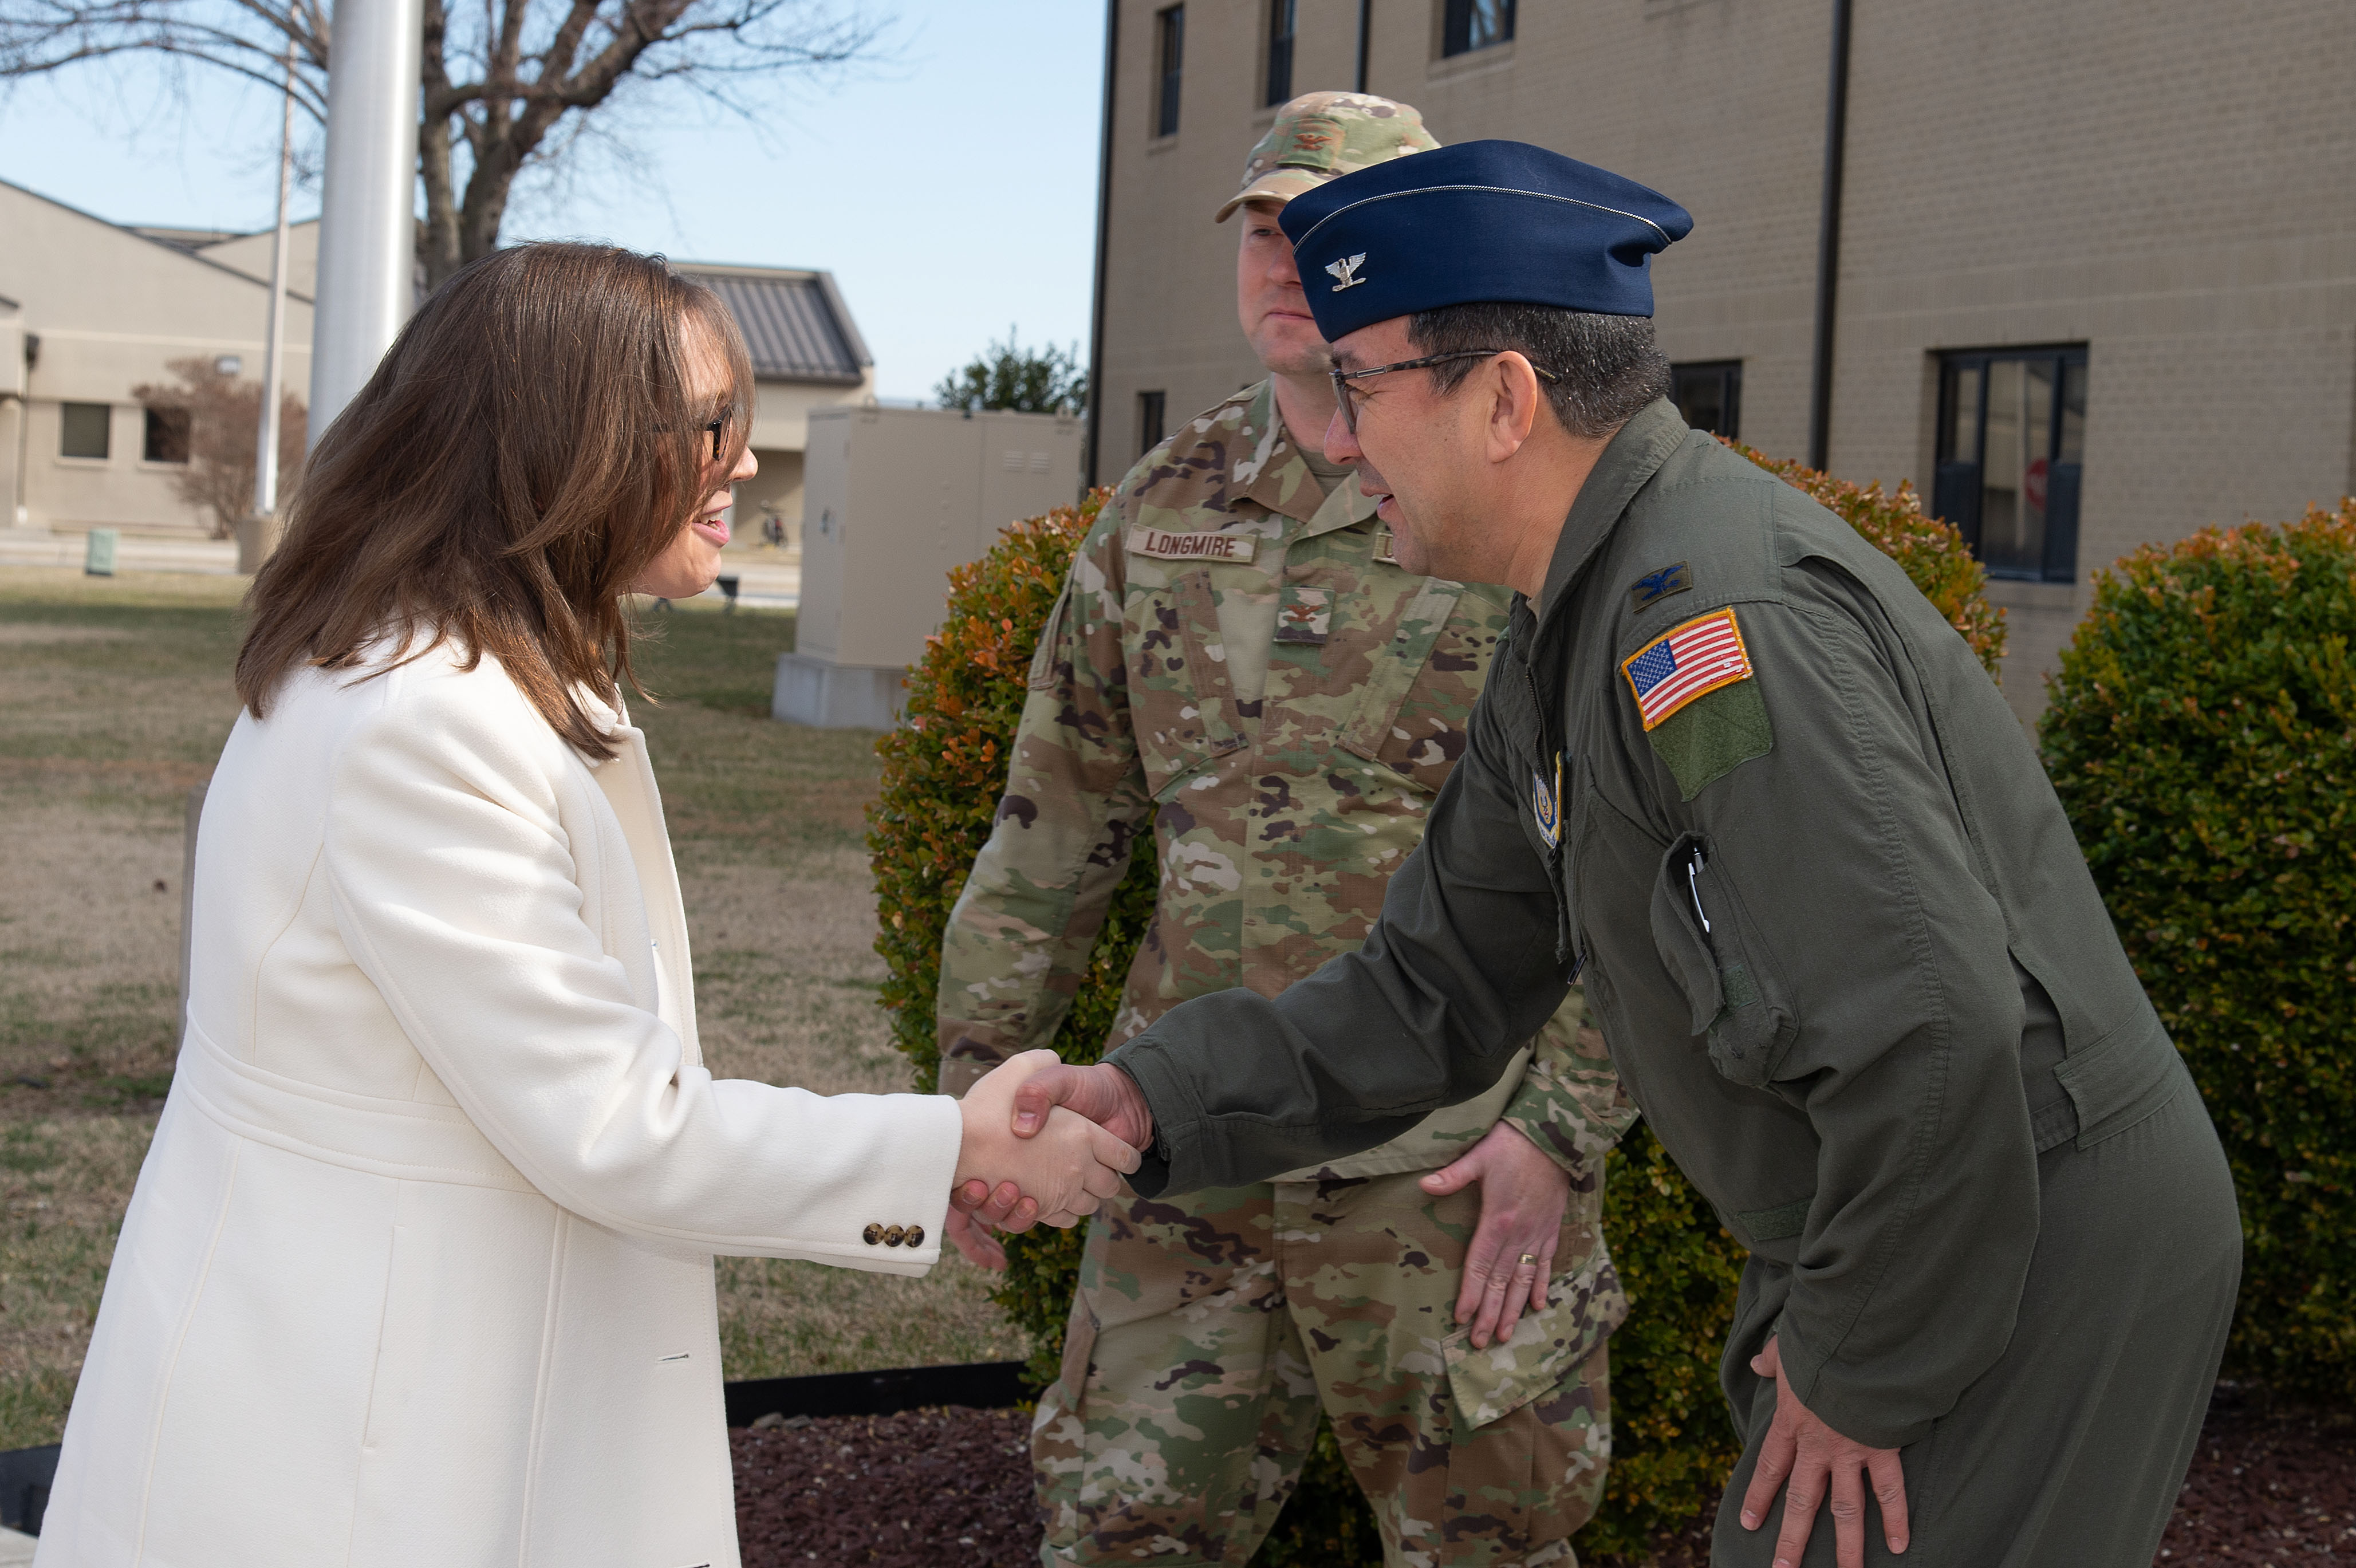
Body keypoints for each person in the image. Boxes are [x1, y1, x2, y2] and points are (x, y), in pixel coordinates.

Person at [1002, 141, 2244, 1568]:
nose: (1335, 442)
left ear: (1504, 403)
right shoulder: (1569, 621)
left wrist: (1858, 1366)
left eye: (1360, 386)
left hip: (2014, 1230)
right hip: (1920, 1212)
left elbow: (1933, 1027)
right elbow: (1433, 988)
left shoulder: (1709, 630)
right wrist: (1154, 1100)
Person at [33, 242, 1137, 1568]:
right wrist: (948, 1152)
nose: (742, 463)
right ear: (568, 446)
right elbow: (614, 1121)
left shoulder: (473, 674)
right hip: (357, 1453)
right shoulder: (418, 723)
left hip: (426, 1394)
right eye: (711, 428)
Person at [936, 96, 1632, 1567]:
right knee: (1117, 1539)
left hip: (1439, 1172)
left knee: (1486, 1550)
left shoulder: (1524, 511)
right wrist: (969, 1105)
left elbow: (1639, 859)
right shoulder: (1164, 508)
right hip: (1178, 1151)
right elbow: (1052, 825)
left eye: (1322, 230)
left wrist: (1555, 1137)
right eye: (1261, 227)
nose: (1278, 259)